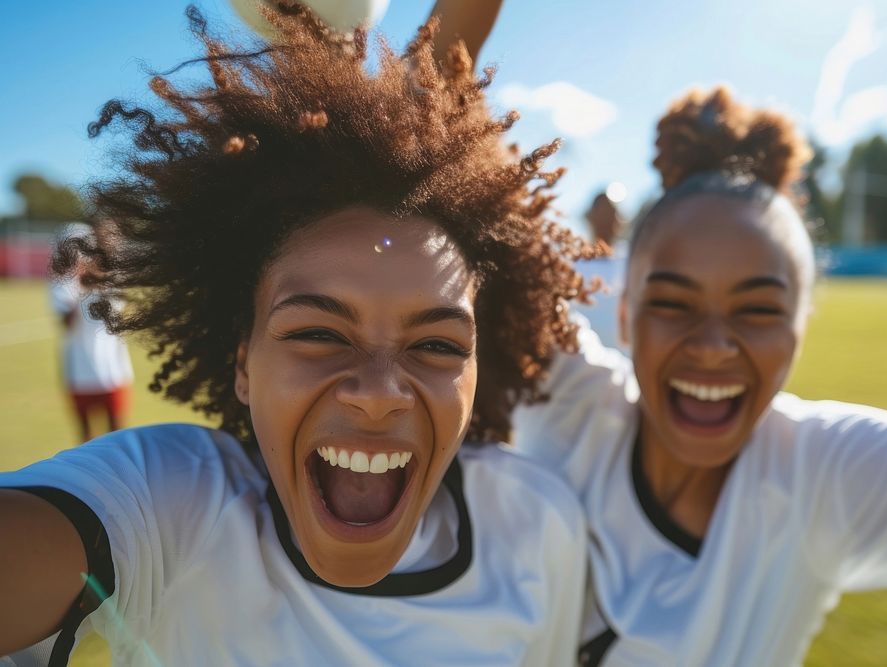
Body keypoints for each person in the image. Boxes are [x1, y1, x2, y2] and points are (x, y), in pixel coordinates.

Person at [0, 4, 598, 665]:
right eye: (318, 331)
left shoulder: (540, 527)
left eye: (437, 345)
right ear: (243, 365)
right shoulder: (171, 508)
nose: (378, 393)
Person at [513, 84, 887, 666]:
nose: (714, 348)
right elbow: (419, 162)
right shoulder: (573, 399)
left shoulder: (820, 473)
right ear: (622, 314)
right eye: (672, 302)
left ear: (803, 322)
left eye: (759, 309)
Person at [49, 222, 134, 441]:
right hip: (79, 370)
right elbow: (66, 322)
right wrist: (79, 287)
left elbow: (116, 315)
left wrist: (96, 280)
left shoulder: (110, 277)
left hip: (113, 368)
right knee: (86, 438)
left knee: (117, 434)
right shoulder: (63, 283)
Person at [575, 190, 629, 351]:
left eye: (611, 213)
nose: (606, 219)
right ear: (590, 217)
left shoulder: (632, 259)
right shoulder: (573, 263)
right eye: (601, 212)